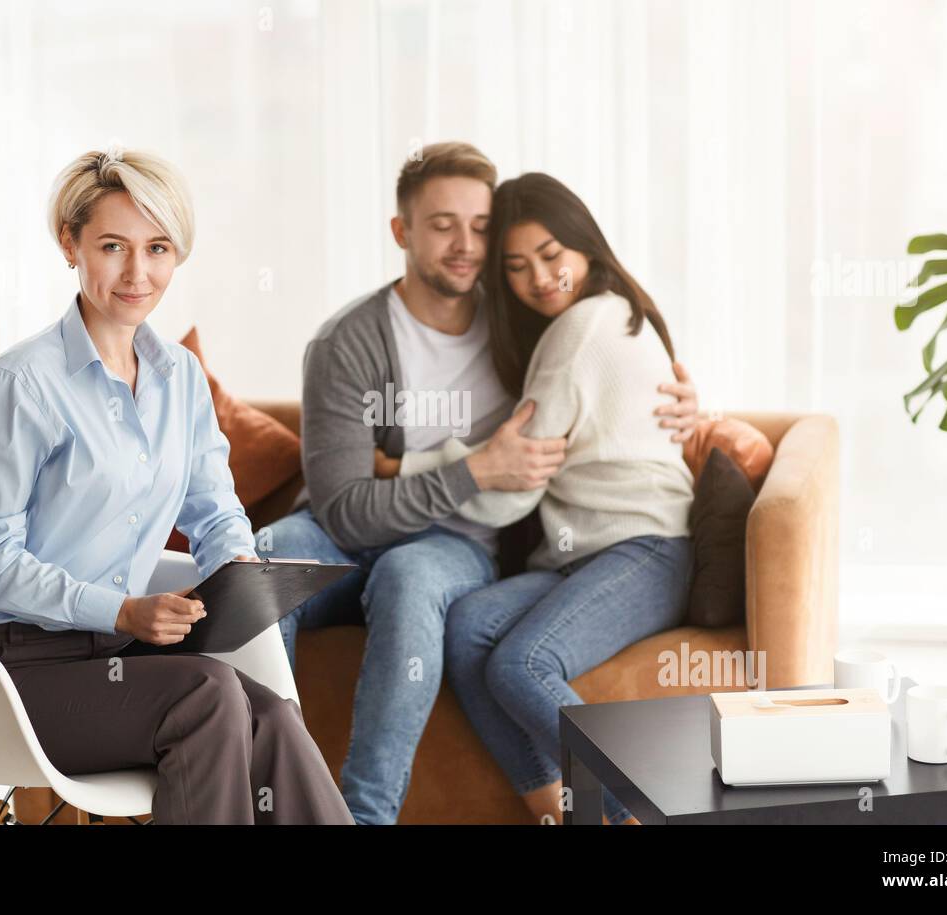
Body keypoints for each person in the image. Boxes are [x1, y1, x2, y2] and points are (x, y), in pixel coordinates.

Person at [257, 143, 700, 824]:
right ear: (402, 231)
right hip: (347, 534)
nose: (466, 245)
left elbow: (606, 377)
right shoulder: (347, 342)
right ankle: (261, 797)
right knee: (266, 559)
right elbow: (345, 512)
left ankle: (365, 816)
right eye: (442, 225)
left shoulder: (524, 317)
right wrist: (471, 470)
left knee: (412, 577)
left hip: (454, 543)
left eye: (481, 227)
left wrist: (698, 415)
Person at [0, 147, 352, 825]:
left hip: (112, 655)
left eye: (157, 248)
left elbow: (214, 509)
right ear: (69, 244)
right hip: (11, 669)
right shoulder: (19, 386)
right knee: (208, 696)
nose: (138, 273)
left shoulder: (179, 377)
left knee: (272, 717)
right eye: (112, 246)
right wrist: (122, 611)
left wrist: (240, 575)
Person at [388, 172, 697, 825]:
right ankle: (556, 813)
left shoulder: (581, 327)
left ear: (585, 244)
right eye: (517, 266)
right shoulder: (608, 314)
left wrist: (403, 474)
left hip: (648, 548)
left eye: (552, 255)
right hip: (584, 555)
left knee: (522, 663)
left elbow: (511, 487)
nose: (539, 278)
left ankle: (641, 814)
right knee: (467, 624)